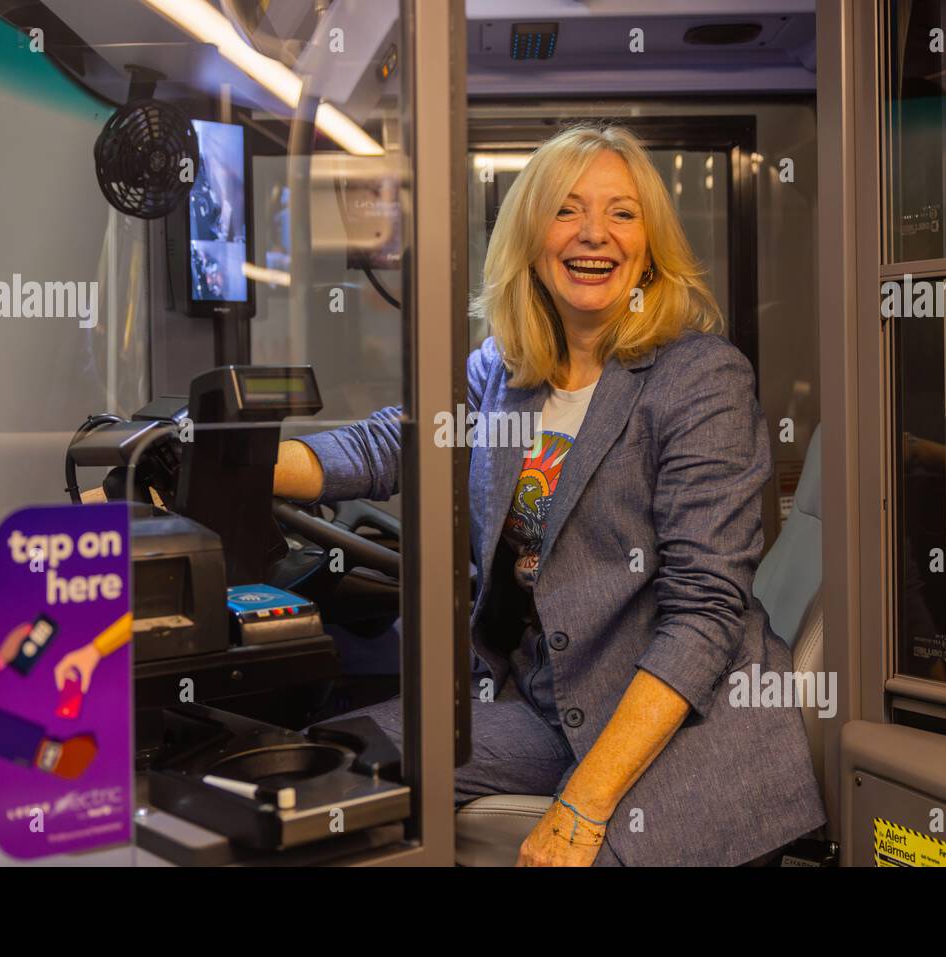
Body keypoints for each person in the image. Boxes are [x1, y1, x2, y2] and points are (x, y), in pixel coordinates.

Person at [272, 124, 825, 866]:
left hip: (685, 725)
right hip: (547, 704)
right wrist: (237, 463)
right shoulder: (504, 370)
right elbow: (388, 444)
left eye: (622, 213)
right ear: (531, 237)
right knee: (332, 766)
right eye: (566, 210)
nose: (594, 232)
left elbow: (703, 613)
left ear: (650, 244)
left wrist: (582, 803)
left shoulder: (700, 377)